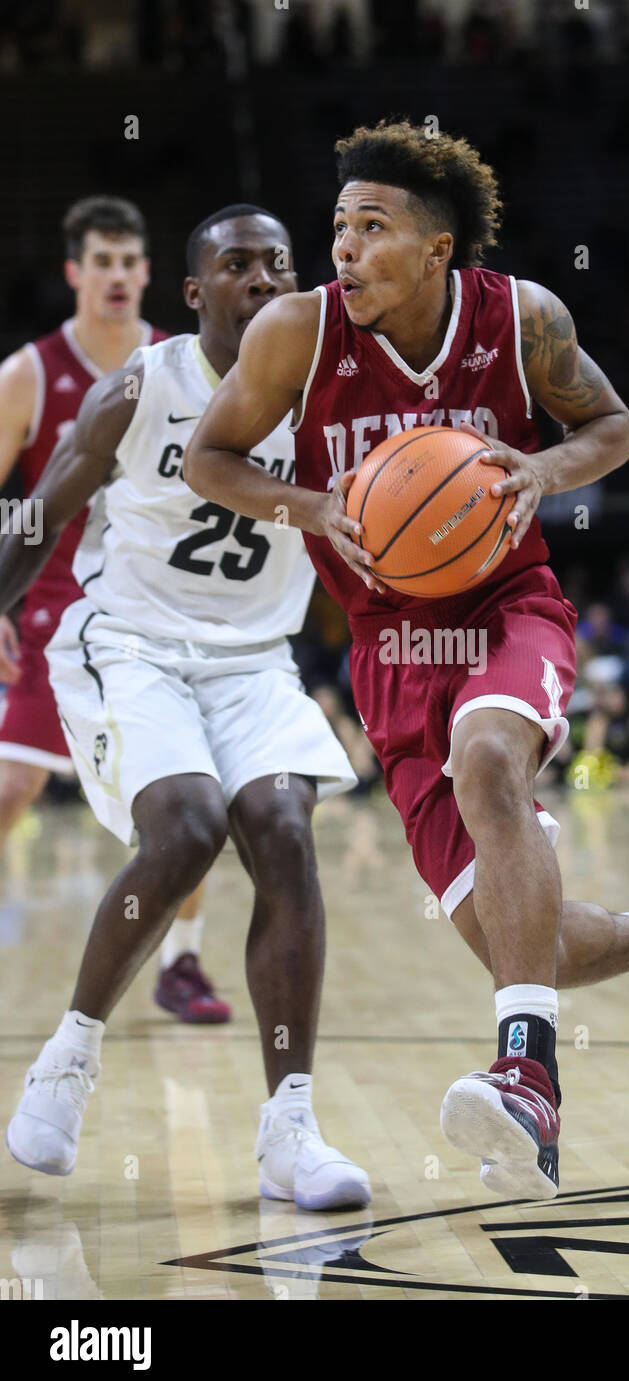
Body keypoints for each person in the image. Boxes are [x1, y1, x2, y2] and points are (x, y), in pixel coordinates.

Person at [185, 123, 629, 1201]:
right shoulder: (292, 336)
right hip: (390, 649)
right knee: (516, 937)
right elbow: (208, 458)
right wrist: (310, 504)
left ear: (438, 246)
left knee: (489, 760)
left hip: (508, 608)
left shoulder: (522, 318)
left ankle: (529, 1081)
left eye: (372, 228)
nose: (343, 250)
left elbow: (613, 426)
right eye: (337, 229)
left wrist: (540, 468)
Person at [3, 205, 370, 1209]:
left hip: (253, 658)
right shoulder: (142, 386)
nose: (260, 280)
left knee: (284, 832)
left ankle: (289, 1129)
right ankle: (69, 1058)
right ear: (195, 292)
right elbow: (45, 509)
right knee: (190, 827)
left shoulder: (331, 397)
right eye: (235, 265)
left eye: (277, 265)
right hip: (131, 643)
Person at [0, 195, 227, 1023]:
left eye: (132, 262)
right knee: (13, 785)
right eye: (103, 262)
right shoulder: (29, 373)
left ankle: (182, 962)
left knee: (190, 797)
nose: (120, 276)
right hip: (52, 604)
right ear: (75, 273)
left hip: (154, 604)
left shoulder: (182, 361)